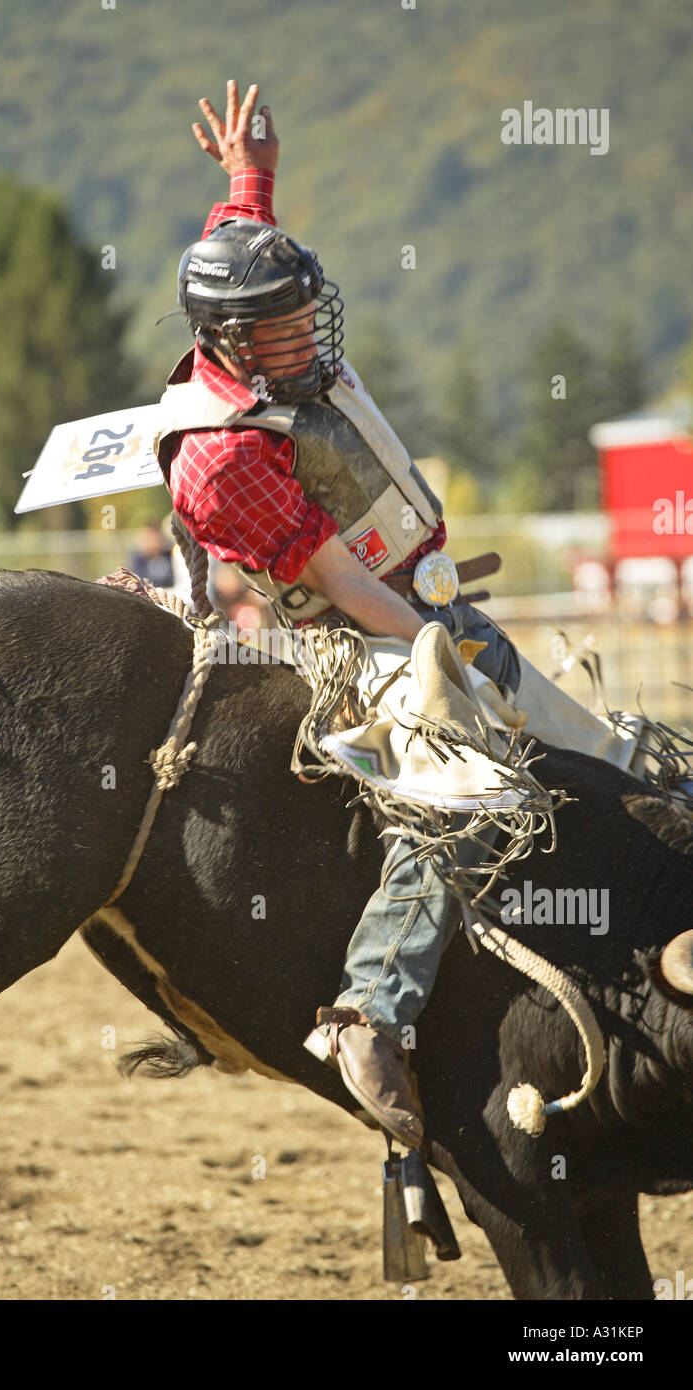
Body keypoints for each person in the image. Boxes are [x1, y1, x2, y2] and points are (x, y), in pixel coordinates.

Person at [151, 80, 685, 1148]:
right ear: (232, 342)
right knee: (472, 793)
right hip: (358, 643)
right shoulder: (221, 460)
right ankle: (369, 1011)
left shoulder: (248, 306)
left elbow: (242, 235)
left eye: (305, 310)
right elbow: (347, 590)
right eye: (284, 326)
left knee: (611, 763)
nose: (307, 331)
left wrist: (249, 173)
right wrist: (448, 650)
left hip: (426, 606)